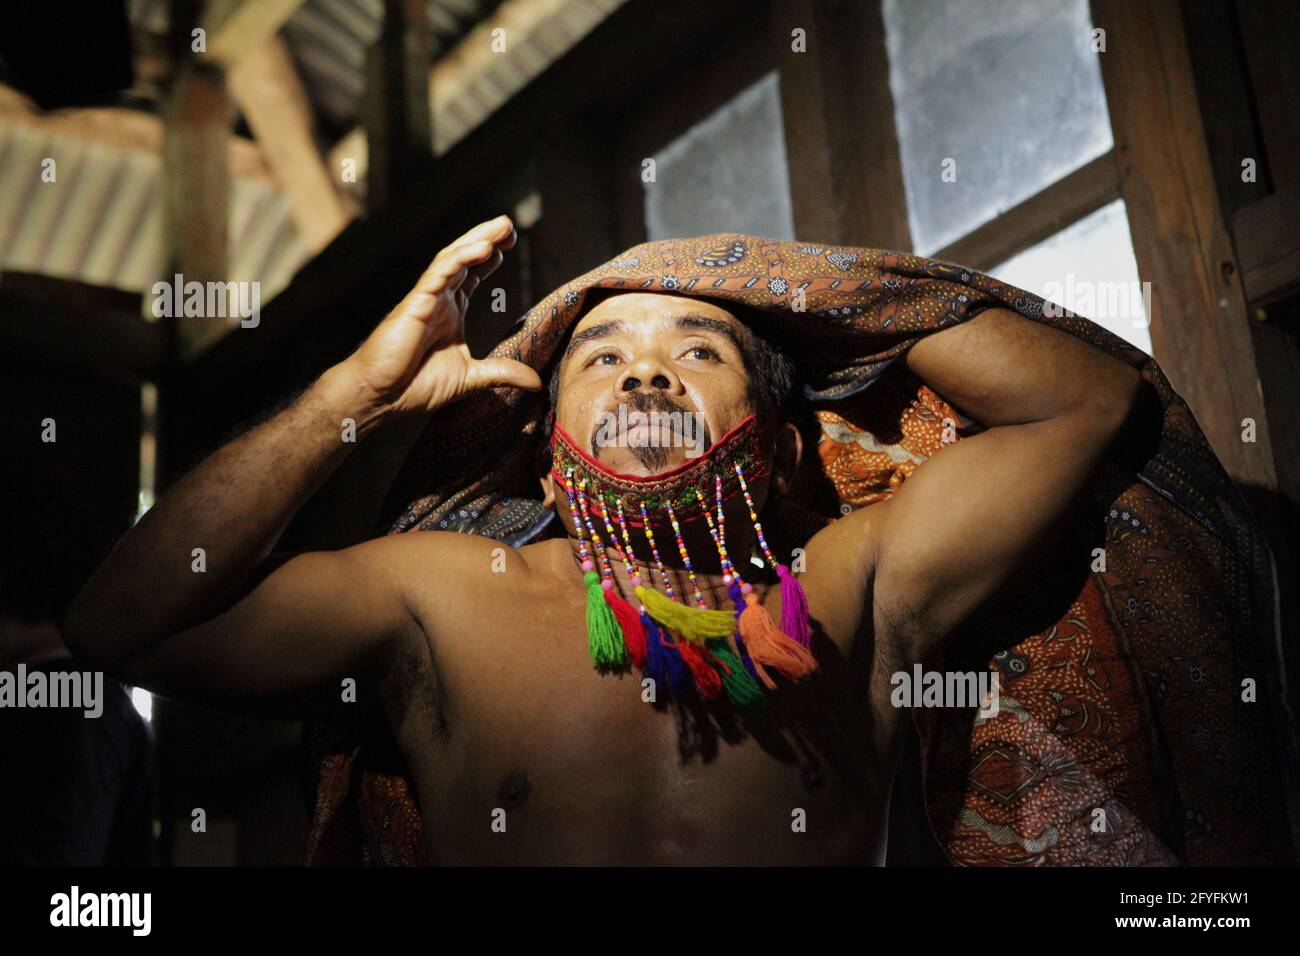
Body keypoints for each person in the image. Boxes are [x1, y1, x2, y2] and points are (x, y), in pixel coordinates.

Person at [64, 215, 1144, 865]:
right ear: (544, 455)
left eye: (699, 350)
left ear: (770, 445)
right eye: (601, 355)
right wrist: (359, 391)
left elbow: (1085, 401)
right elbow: (118, 625)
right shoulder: (439, 596)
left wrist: (802, 293)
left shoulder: (854, 579)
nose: (643, 370)